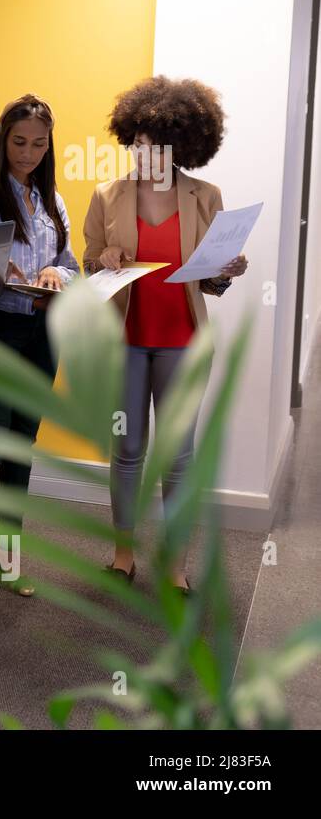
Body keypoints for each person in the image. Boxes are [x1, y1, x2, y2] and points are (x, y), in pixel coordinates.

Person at [83, 75, 248, 593]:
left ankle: (175, 562)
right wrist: (103, 259)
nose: (142, 153)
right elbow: (87, 263)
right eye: (137, 143)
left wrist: (228, 270)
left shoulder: (206, 197)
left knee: (178, 454)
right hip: (126, 338)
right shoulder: (108, 194)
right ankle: (123, 553)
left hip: (182, 338)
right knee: (128, 448)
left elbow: (212, 277)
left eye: (155, 146)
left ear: (182, 147)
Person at [0, 94, 79, 628]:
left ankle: (5, 553)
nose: (28, 153)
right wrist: (12, 276)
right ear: (2, 139)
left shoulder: (52, 198)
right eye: (19, 141)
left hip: (44, 327)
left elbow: (68, 261)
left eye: (39, 144)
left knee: (22, 444)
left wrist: (57, 277)